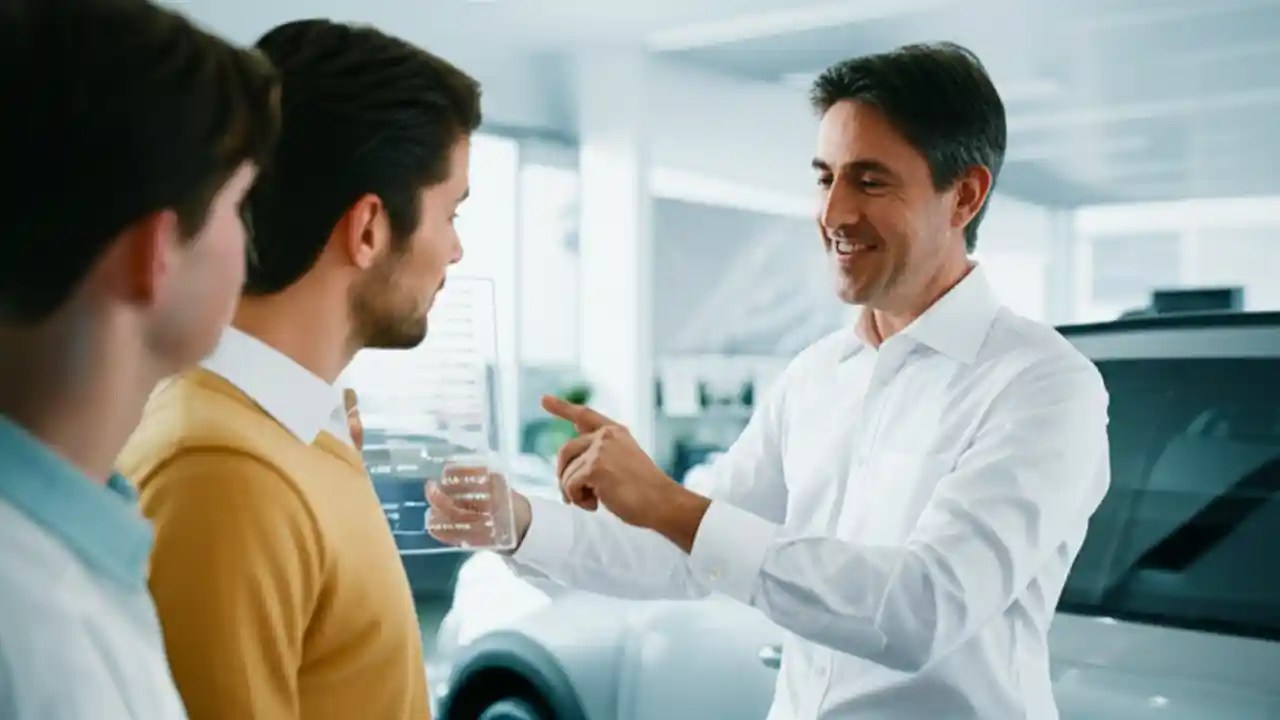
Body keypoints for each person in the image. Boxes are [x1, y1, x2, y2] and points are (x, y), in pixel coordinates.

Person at [430, 43, 1111, 719]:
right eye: (826, 178)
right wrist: (514, 522)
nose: (834, 213)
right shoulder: (815, 378)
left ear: (963, 194)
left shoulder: (1043, 386)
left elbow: (921, 610)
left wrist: (670, 504)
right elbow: (685, 556)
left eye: (870, 181)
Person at [116, 18, 480, 720]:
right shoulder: (225, 471)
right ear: (370, 227)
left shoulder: (294, 435)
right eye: (451, 212)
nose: (456, 250)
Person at [0, 0, 278, 716]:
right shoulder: (36, 636)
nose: (248, 246)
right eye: (237, 204)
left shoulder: (69, 566)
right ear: (154, 253)